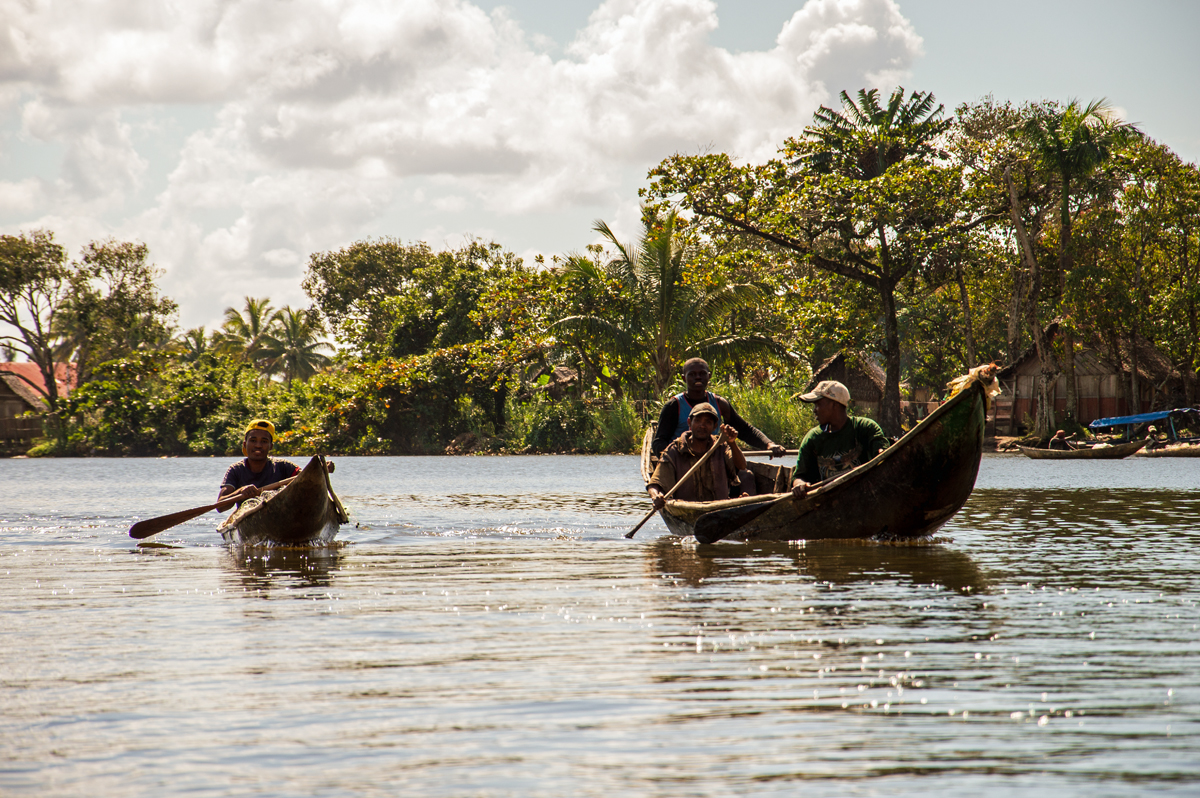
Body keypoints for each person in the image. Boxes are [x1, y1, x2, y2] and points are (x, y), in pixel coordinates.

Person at [651, 357, 785, 458]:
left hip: (713, 460)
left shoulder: (720, 404)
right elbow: (659, 443)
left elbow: (744, 430)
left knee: (746, 476)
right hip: (682, 461)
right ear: (684, 378)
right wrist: (676, 459)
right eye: (692, 374)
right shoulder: (674, 406)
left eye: (702, 373)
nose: (698, 377)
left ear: (708, 376)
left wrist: (769, 444)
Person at [790, 380, 889, 498]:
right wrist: (799, 484)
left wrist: (881, 453)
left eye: (818, 404)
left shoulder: (865, 428)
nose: (814, 410)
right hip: (827, 502)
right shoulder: (812, 439)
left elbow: (883, 455)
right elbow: (799, 477)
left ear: (834, 404)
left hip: (865, 497)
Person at [648, 403, 751, 509]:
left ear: (714, 426)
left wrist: (732, 443)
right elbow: (655, 484)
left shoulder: (721, 447)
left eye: (708, 422)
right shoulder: (674, 450)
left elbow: (742, 466)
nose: (702, 425)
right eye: (697, 421)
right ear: (689, 423)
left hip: (720, 509)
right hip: (687, 511)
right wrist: (656, 497)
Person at [218, 419, 326, 509]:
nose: (258, 445)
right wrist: (240, 492)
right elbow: (220, 506)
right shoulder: (236, 470)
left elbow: (307, 477)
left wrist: (321, 468)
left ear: (270, 446)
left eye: (264, 441)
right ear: (245, 444)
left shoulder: (283, 467)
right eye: (253, 440)